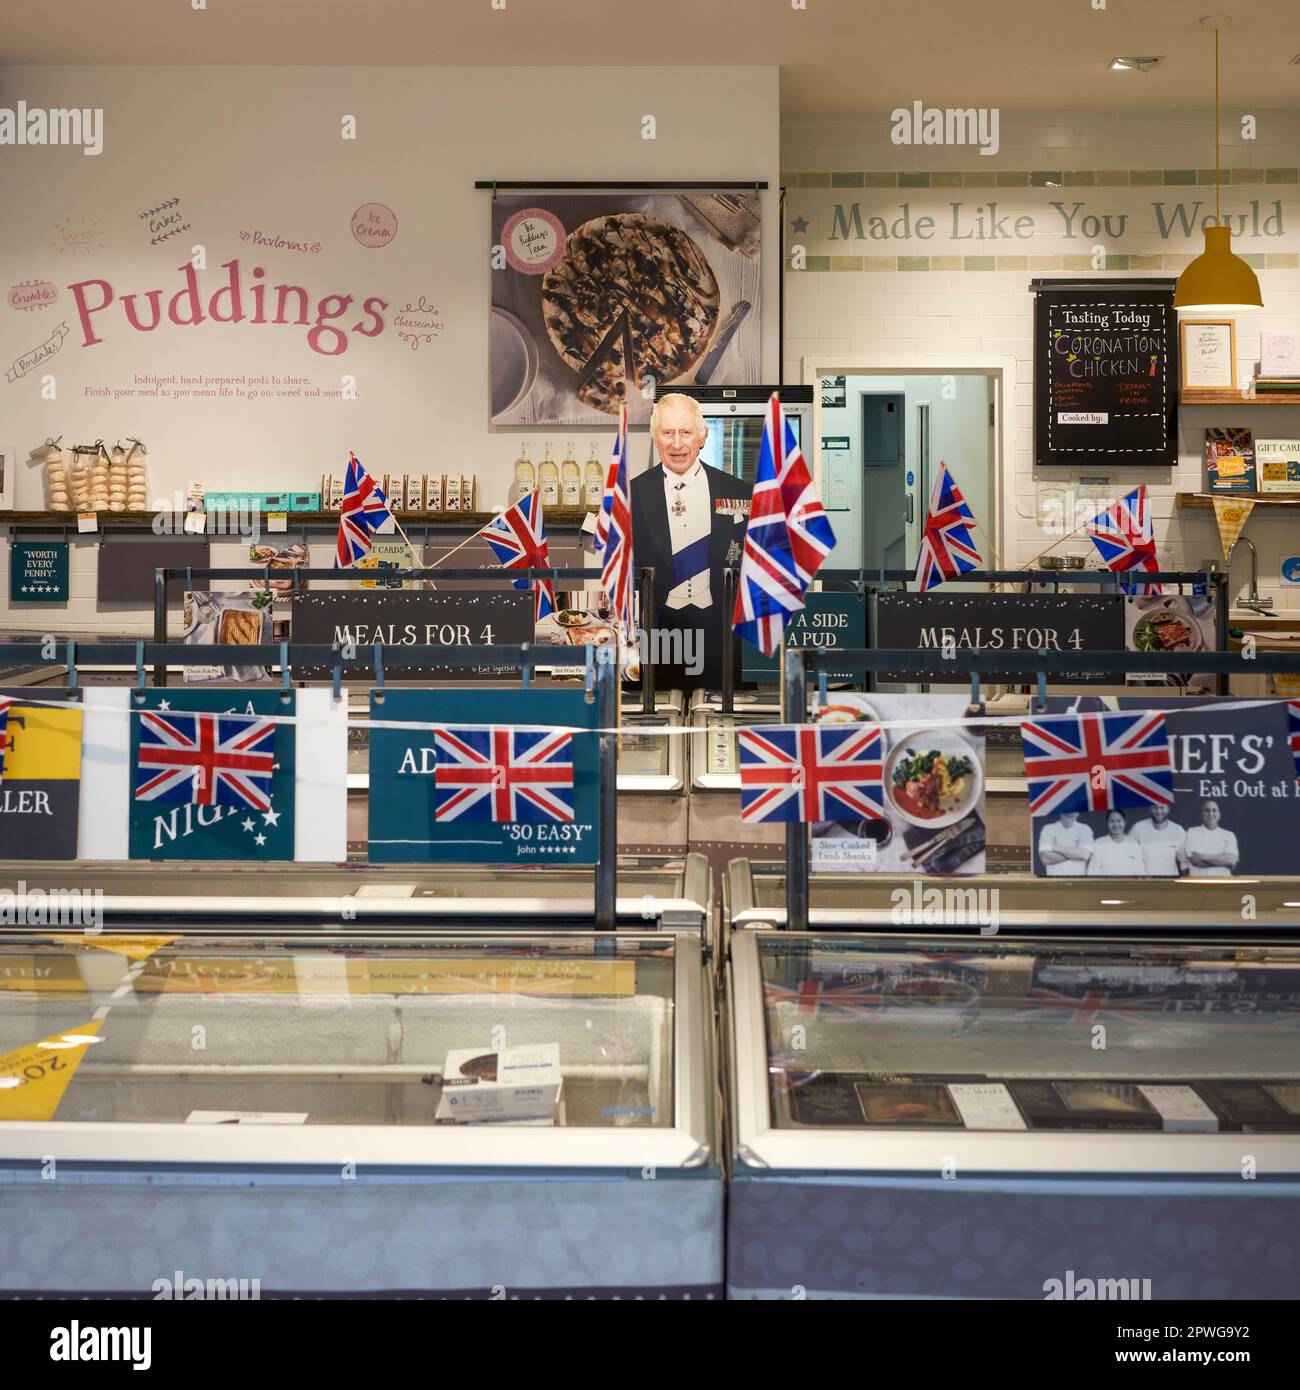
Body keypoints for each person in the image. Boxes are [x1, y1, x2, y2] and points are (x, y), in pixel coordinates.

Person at [630, 392, 753, 690]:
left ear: (702, 436)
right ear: (654, 438)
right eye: (667, 433)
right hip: (659, 633)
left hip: (720, 634)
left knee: (718, 721)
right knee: (659, 721)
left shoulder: (739, 491)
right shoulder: (631, 495)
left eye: (685, 432)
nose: (676, 443)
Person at [1183, 799, 1240, 877]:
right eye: (1207, 810)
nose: (1211, 813)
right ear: (1202, 814)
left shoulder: (1229, 835)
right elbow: (1195, 861)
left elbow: (1232, 861)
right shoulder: (1192, 832)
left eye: (1214, 810)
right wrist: (1223, 861)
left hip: (1223, 883)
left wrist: (1202, 856)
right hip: (1198, 883)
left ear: (1219, 815)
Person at [1128, 802, 1187, 877]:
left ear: (1168, 808)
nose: (1158, 811)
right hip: (1145, 882)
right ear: (1150, 808)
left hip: (1169, 882)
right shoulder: (1138, 828)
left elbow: (1183, 862)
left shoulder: (1178, 830)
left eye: (1162, 807)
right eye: (1155, 807)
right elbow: (1127, 855)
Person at [1086, 809, 1145, 875]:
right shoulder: (1099, 843)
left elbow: (1140, 873)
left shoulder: (1134, 845)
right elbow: (1093, 872)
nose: (1116, 824)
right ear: (1107, 823)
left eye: (1119, 820)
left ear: (1125, 822)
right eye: (1112, 821)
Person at [1037, 810, 1094, 876]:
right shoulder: (1048, 829)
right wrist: (1076, 853)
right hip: (1054, 881)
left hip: (1078, 882)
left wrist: (1056, 847)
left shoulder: (1085, 829)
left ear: (1078, 813)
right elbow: (1045, 859)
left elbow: (1085, 855)